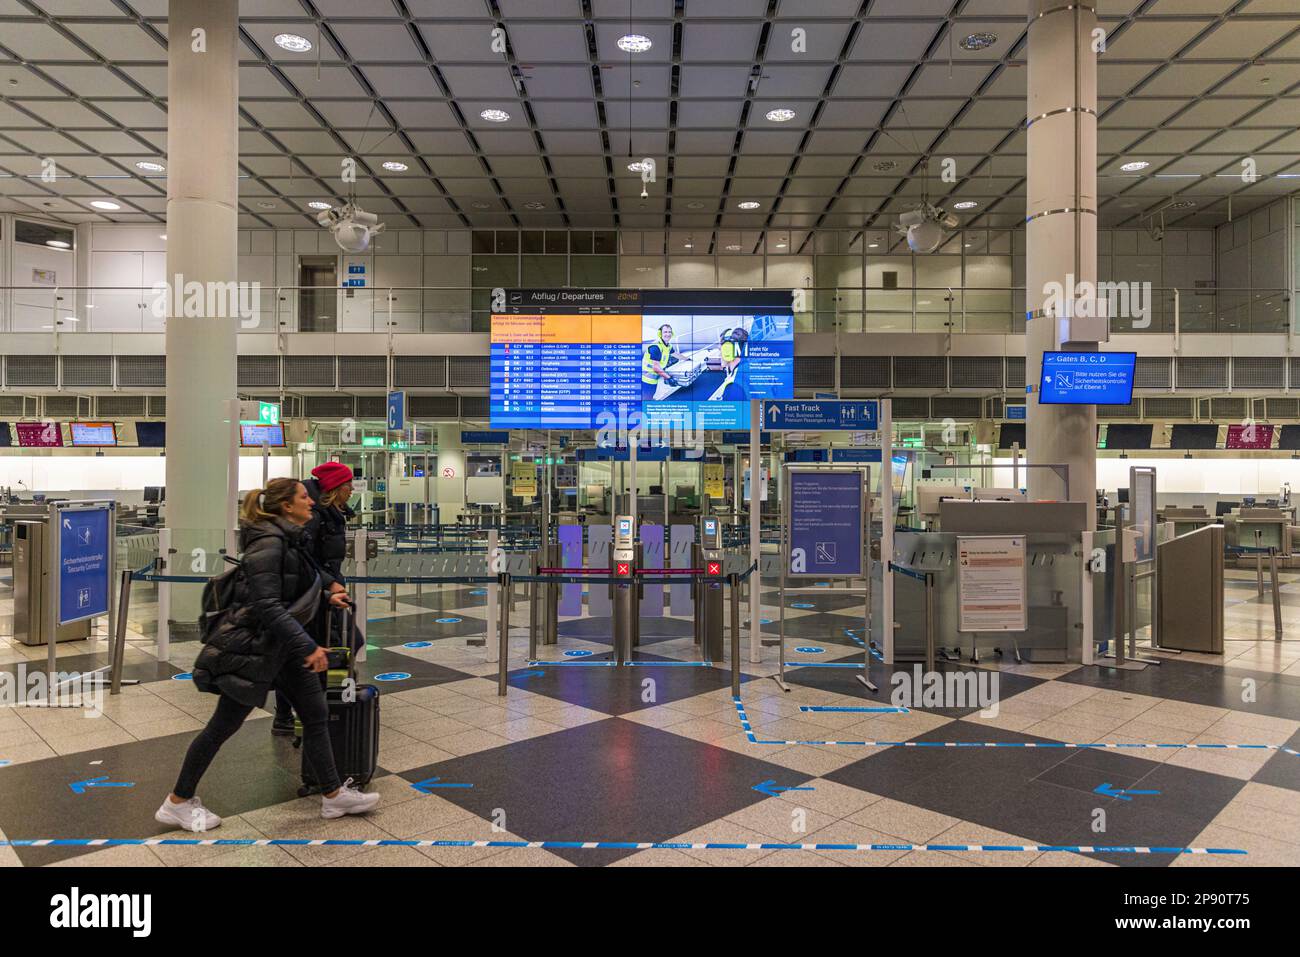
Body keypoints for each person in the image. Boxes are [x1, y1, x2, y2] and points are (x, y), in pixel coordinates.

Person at [156, 478, 380, 832]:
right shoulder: (269, 543)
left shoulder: (289, 538)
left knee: (315, 713)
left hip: (282, 649)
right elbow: (267, 606)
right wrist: (308, 645)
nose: (312, 501)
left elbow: (292, 588)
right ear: (286, 506)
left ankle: (334, 795)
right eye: (304, 497)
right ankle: (178, 802)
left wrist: (325, 595)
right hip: (257, 649)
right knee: (223, 726)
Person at [272, 461, 356, 735]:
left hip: (321, 590)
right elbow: (305, 558)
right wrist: (329, 584)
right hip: (312, 593)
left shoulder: (331, 512)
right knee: (306, 653)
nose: (352, 490)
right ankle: (301, 712)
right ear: (335, 488)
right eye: (348, 485)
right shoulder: (315, 516)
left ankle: (301, 712)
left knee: (314, 651)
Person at [641, 323, 683, 400]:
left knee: (650, 395)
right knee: (647, 396)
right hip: (646, 378)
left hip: (654, 378)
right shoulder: (656, 347)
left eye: (669, 332)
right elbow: (656, 368)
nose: (668, 334)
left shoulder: (668, 346)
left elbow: (675, 354)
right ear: (660, 334)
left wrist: (687, 359)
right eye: (665, 332)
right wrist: (669, 378)